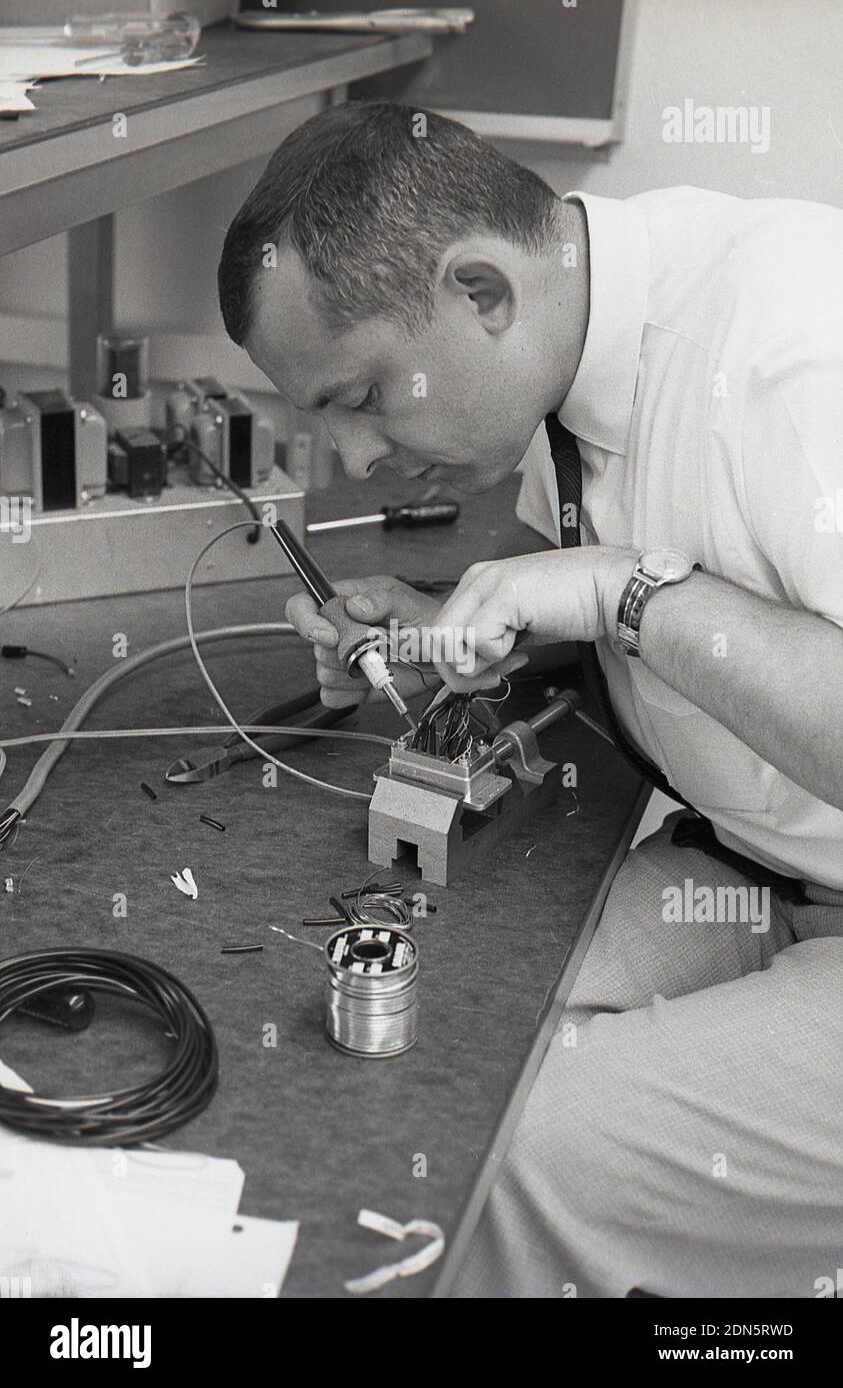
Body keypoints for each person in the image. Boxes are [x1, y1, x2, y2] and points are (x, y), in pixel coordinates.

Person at [218, 101, 843, 1297]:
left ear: (483, 294)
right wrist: (477, 624)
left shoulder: (789, 350)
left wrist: (617, 589)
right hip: (759, 862)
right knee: (430, 1037)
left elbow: (648, 591)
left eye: (355, 399)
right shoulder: (576, 336)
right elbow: (713, 625)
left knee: (513, 1153)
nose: (349, 462)